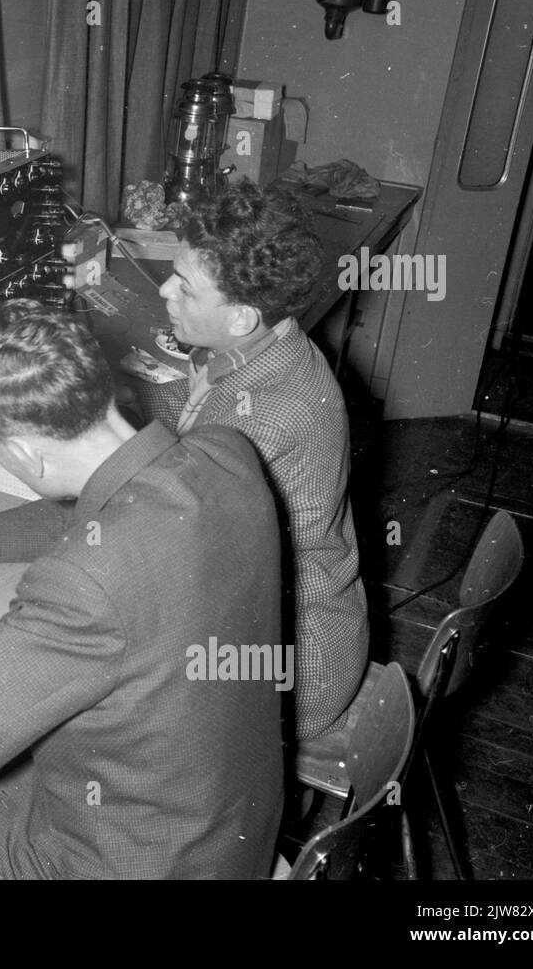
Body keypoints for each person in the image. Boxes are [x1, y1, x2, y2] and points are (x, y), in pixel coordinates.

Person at [0, 300, 286, 879]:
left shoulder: (84, 586)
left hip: (141, 859)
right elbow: (117, 507)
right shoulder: (223, 451)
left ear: (20, 453)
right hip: (220, 820)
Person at [134, 180, 369, 739]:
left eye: (184, 288)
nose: (165, 290)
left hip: (283, 673)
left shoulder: (263, 420)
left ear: (240, 317)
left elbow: (155, 541)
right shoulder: (270, 345)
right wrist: (112, 387)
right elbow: (199, 401)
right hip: (287, 621)